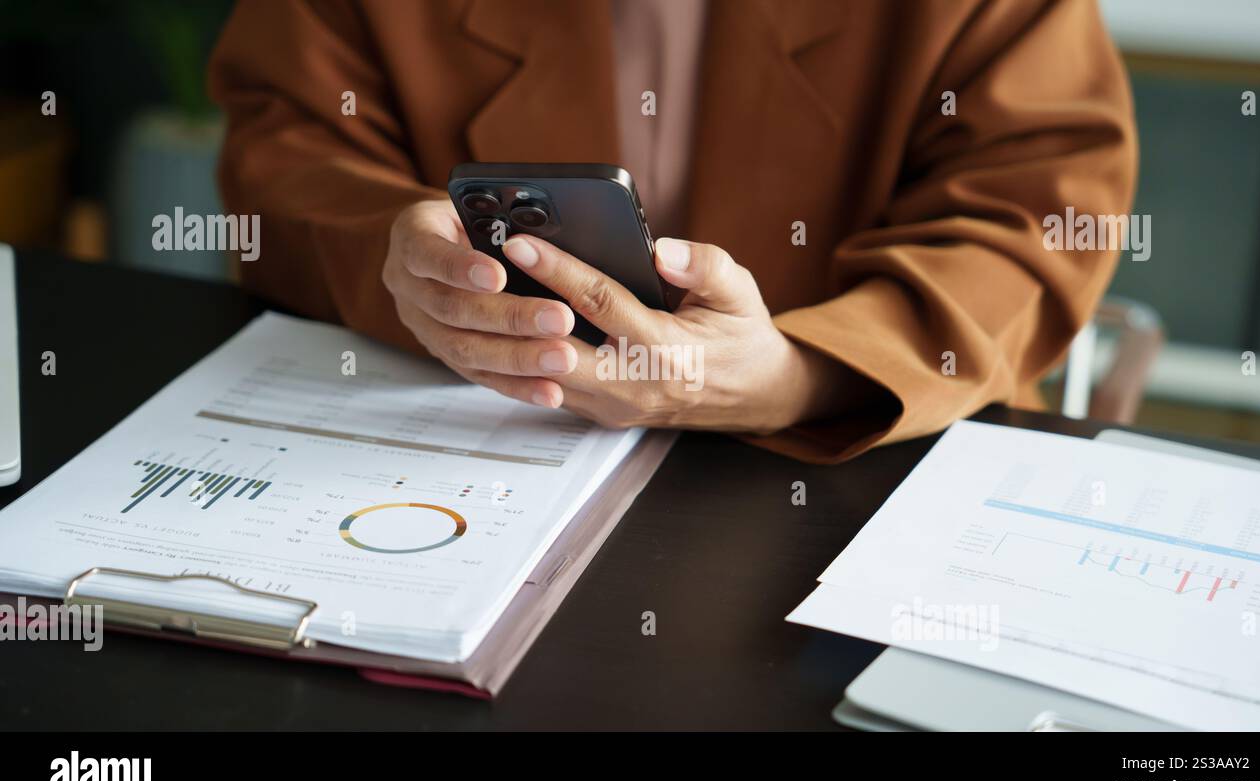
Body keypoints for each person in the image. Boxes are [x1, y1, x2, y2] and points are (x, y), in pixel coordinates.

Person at [209, 0, 1136, 463]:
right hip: (472, 443)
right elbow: (282, 156)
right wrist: (395, 252)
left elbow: (1036, 214)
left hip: (838, 476)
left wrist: (800, 373)